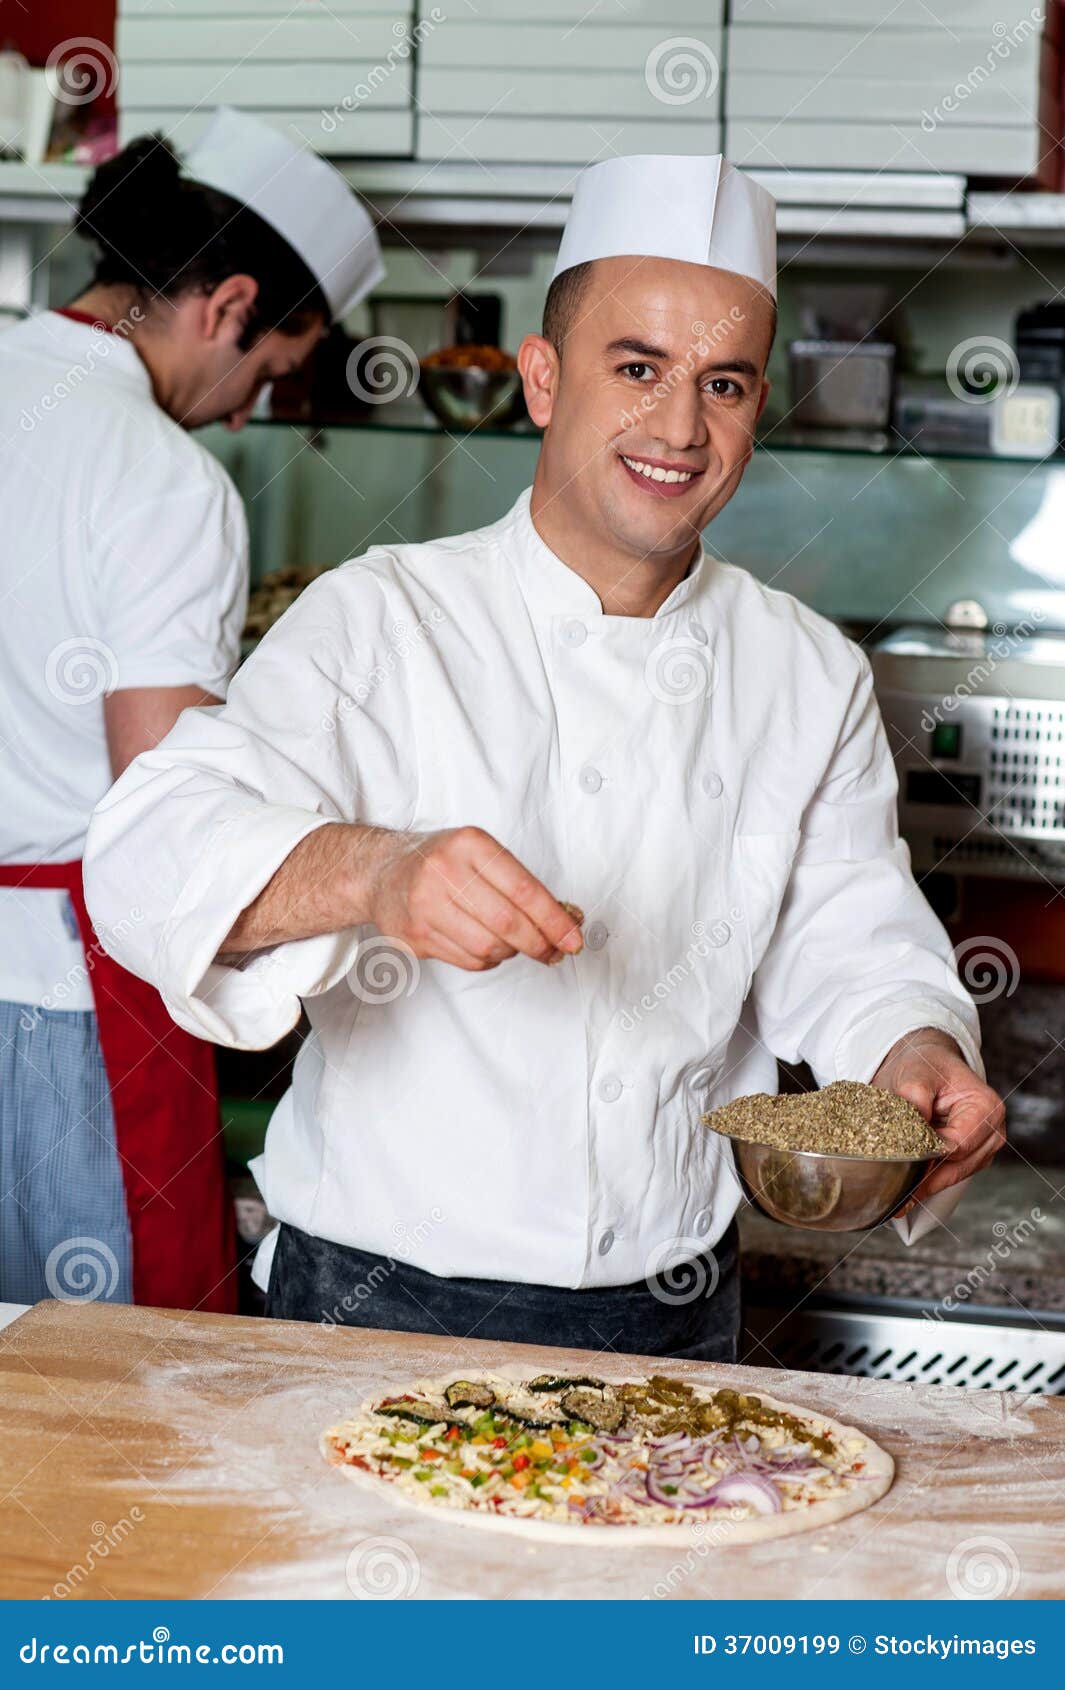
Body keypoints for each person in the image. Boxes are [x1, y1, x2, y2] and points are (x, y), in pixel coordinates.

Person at [84, 154, 1004, 1358]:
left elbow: (851, 934)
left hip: (675, 1314)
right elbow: (146, 847)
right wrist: (375, 873)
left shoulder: (806, 669)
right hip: (377, 1308)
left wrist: (918, 1046)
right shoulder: (387, 617)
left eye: (723, 384)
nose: (679, 427)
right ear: (542, 377)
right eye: (637, 369)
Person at [0, 108, 383, 1311]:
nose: (238, 411)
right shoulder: (165, 481)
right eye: (265, 372)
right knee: (122, 1398)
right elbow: (162, 817)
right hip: (74, 1002)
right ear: (224, 305)